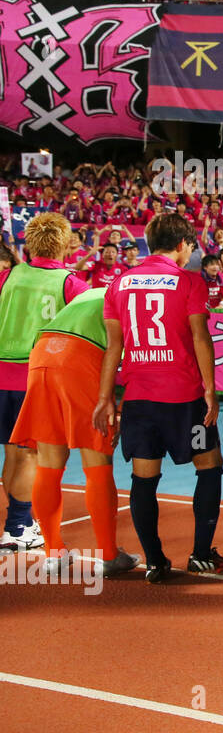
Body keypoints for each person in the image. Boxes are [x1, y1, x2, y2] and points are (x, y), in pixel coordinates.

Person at [94, 212, 223, 583]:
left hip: (139, 399)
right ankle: (201, 554)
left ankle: (155, 562)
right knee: (209, 466)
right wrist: (210, 389)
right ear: (183, 245)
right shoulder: (189, 282)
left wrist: (106, 398)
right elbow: (200, 337)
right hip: (185, 398)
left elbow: (113, 346)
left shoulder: (118, 284)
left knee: (143, 479)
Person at [10, 286, 138, 576]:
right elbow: (131, 358)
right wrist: (119, 408)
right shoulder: (131, 298)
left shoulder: (95, 291)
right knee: (97, 464)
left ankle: (54, 553)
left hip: (42, 353)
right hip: (83, 356)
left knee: (49, 465)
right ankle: (109, 555)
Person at [0, 213, 88, 553]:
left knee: (12, 452)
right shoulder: (70, 284)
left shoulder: (7, 276)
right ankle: (17, 527)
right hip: (35, 377)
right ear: (65, 244)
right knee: (30, 455)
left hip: (2, 374)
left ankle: (21, 520)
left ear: (29, 243)